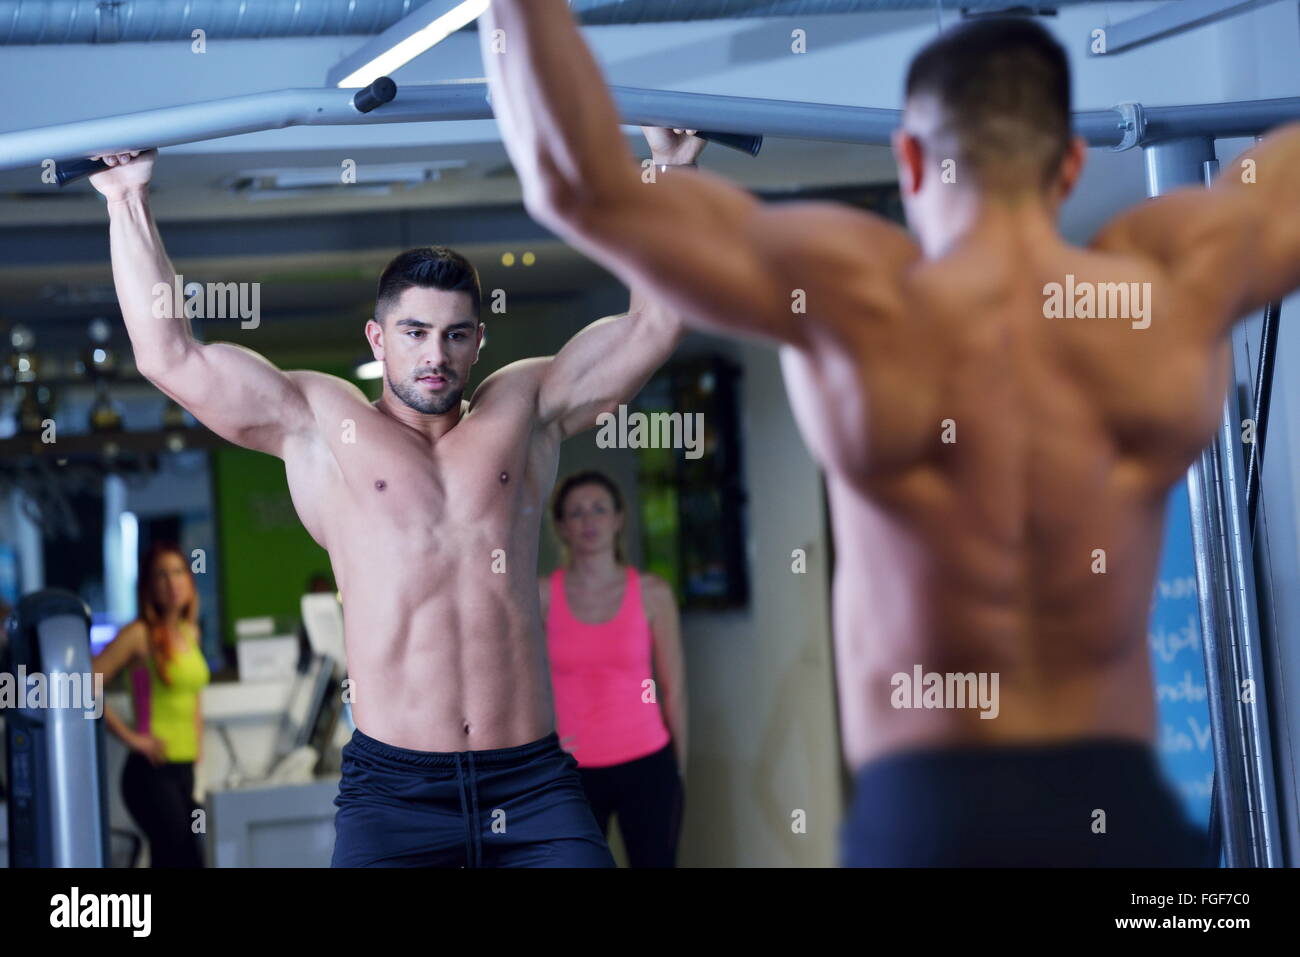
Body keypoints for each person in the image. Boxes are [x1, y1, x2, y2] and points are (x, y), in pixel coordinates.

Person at [479, 7, 1300, 865]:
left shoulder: (861, 299)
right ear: (1071, 162)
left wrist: (651, 162)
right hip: (1120, 812)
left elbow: (575, 184)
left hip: (933, 817)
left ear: (909, 159)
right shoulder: (1172, 283)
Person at [88, 128, 693, 867]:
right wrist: (127, 199)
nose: (434, 355)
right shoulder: (320, 423)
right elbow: (169, 356)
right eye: (414, 332)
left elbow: (653, 325)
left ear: (479, 342)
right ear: (377, 338)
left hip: (531, 783)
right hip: (395, 793)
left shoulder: (523, 409)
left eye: (454, 334)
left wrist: (668, 174)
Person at [541, 470, 686, 867]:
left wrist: (677, 771)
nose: (589, 521)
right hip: (571, 772)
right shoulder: (541, 596)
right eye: (576, 513)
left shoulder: (653, 593)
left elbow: (672, 688)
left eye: (599, 509)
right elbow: (517, 685)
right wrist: (539, 750)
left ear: (619, 519)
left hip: (648, 763)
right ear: (561, 527)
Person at [94, 542, 209, 868]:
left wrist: (198, 748)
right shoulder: (138, 635)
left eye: (178, 572)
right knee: (175, 858)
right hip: (151, 773)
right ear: (148, 587)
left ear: (189, 580)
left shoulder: (190, 632)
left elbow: (194, 696)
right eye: (161, 575)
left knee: (191, 858)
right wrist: (132, 738)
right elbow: (84, 685)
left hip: (184, 769)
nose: (172, 582)